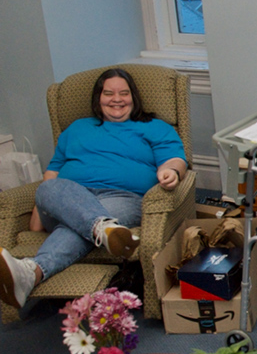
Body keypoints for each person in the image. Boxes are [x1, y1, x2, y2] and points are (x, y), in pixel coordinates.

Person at [0, 68, 188, 309]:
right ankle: (103, 229)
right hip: (65, 198)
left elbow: (175, 159)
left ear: (134, 97)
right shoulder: (77, 128)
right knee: (49, 188)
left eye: (124, 93)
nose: (117, 99)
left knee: (77, 224)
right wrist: (38, 211)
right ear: (98, 98)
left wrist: (171, 172)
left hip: (122, 198)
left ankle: (31, 272)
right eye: (108, 93)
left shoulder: (155, 127)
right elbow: (53, 172)